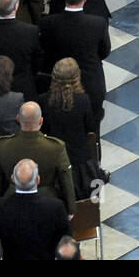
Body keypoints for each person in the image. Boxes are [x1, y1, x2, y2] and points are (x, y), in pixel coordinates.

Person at [39, 59, 99, 199]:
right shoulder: (83, 100)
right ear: (77, 77)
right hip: (80, 162)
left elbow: (44, 129)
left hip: (54, 160)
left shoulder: (43, 100)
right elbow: (89, 128)